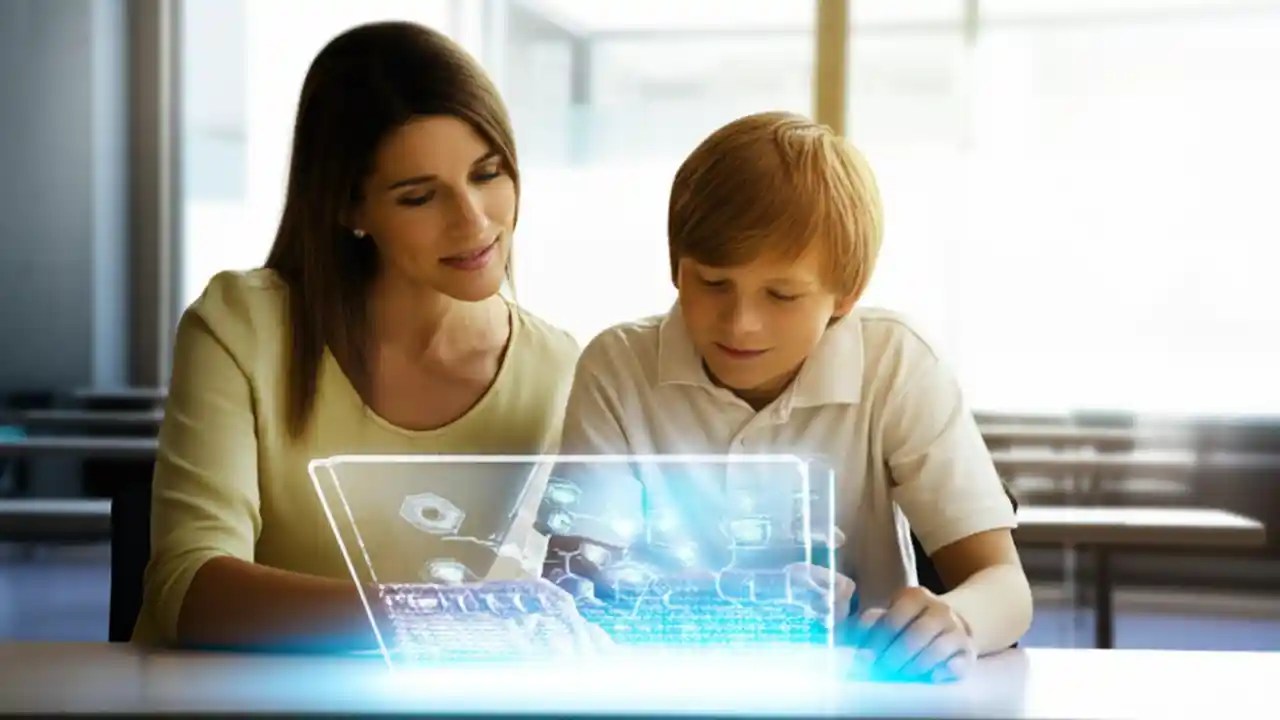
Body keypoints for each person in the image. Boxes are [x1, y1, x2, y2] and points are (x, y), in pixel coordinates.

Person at [132, 21, 580, 651]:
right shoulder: (241, 326)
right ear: (349, 209)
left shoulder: (561, 367)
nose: (475, 222)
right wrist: (442, 615)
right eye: (420, 196)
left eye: (488, 173)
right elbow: (187, 587)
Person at [539, 111, 1032, 682]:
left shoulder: (895, 361)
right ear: (677, 267)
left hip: (859, 689)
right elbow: (572, 585)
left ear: (845, 297)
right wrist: (736, 601)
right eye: (713, 283)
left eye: (782, 294)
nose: (741, 323)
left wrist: (958, 623)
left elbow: (1005, 586)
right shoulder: (618, 366)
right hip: (666, 688)